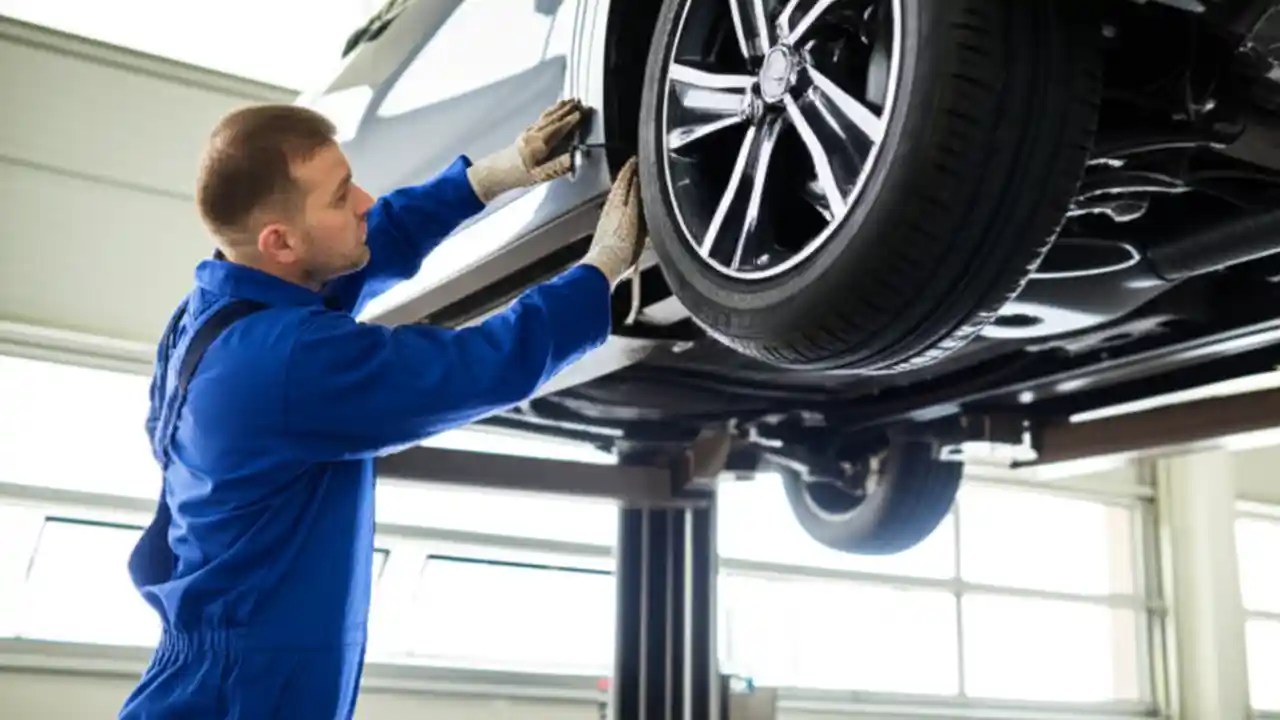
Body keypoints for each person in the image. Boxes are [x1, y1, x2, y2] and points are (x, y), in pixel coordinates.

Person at [117, 97, 646, 719]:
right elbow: (477, 366)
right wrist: (598, 270)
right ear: (279, 241)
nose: (364, 200)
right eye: (341, 196)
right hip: (238, 697)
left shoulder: (215, 309)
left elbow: (363, 249)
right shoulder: (281, 360)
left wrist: (491, 177)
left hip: (226, 672)